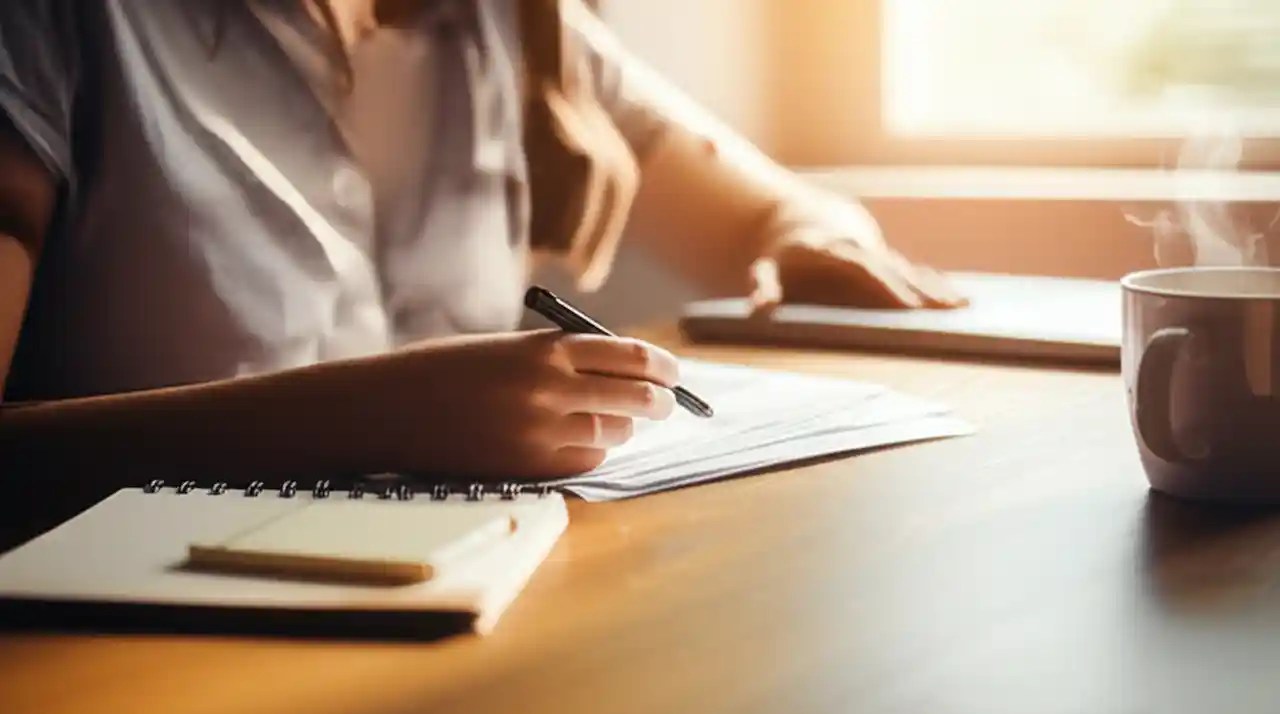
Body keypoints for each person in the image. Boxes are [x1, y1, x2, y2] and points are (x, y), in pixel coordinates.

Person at [0, 1, 962, 488]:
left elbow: (780, 213)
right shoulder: (56, 25)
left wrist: (812, 240)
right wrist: (369, 418)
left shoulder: (499, 24)